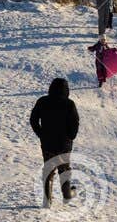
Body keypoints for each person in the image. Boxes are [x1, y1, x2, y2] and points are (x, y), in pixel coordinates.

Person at [30, 77, 80, 208]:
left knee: (48, 169)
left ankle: (47, 201)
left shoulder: (42, 101)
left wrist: (41, 134)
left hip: (47, 143)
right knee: (64, 169)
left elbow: (33, 120)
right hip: (64, 144)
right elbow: (75, 124)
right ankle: (67, 195)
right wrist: (70, 137)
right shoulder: (69, 104)